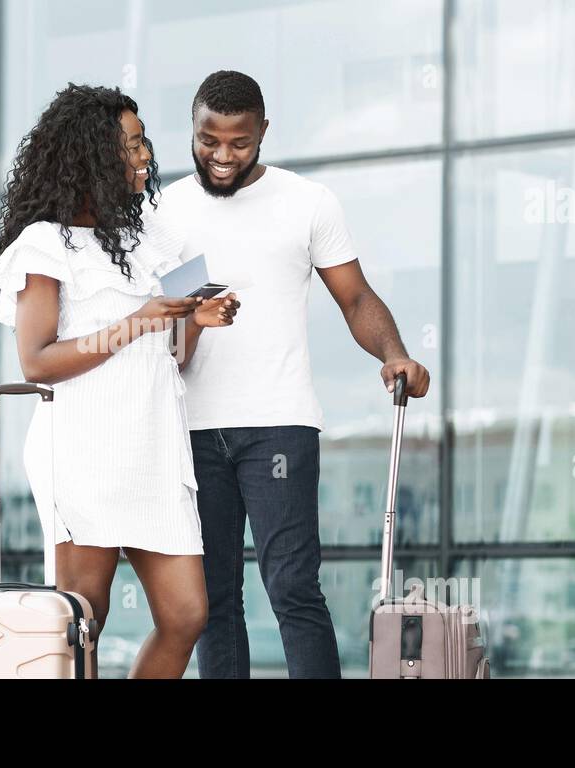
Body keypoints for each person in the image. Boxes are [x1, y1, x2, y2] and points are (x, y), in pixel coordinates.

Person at [153, 70, 431, 679]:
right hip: (193, 428)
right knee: (214, 600)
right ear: (193, 129)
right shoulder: (166, 212)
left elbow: (355, 299)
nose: (222, 156)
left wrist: (393, 353)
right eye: (208, 141)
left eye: (239, 143)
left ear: (263, 133)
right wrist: (195, 321)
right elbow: (172, 340)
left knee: (293, 589)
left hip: (280, 425)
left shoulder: (307, 202)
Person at [0, 83, 240, 678]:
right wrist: (135, 324)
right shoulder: (44, 244)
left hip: (153, 452)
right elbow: (37, 362)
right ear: (91, 155)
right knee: (85, 621)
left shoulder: (153, 241)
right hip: (83, 454)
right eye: (130, 146)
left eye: (144, 141)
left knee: (186, 616)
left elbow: (172, 358)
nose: (145, 156)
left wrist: (195, 321)